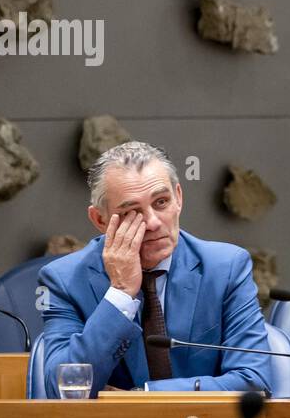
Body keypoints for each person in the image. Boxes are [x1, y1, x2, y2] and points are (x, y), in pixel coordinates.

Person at [38, 141, 274, 395]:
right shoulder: (64, 280)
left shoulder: (226, 267)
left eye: (161, 202)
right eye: (132, 211)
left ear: (178, 198)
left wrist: (143, 396)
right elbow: (63, 389)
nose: (152, 222)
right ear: (100, 219)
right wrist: (120, 294)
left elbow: (254, 380)